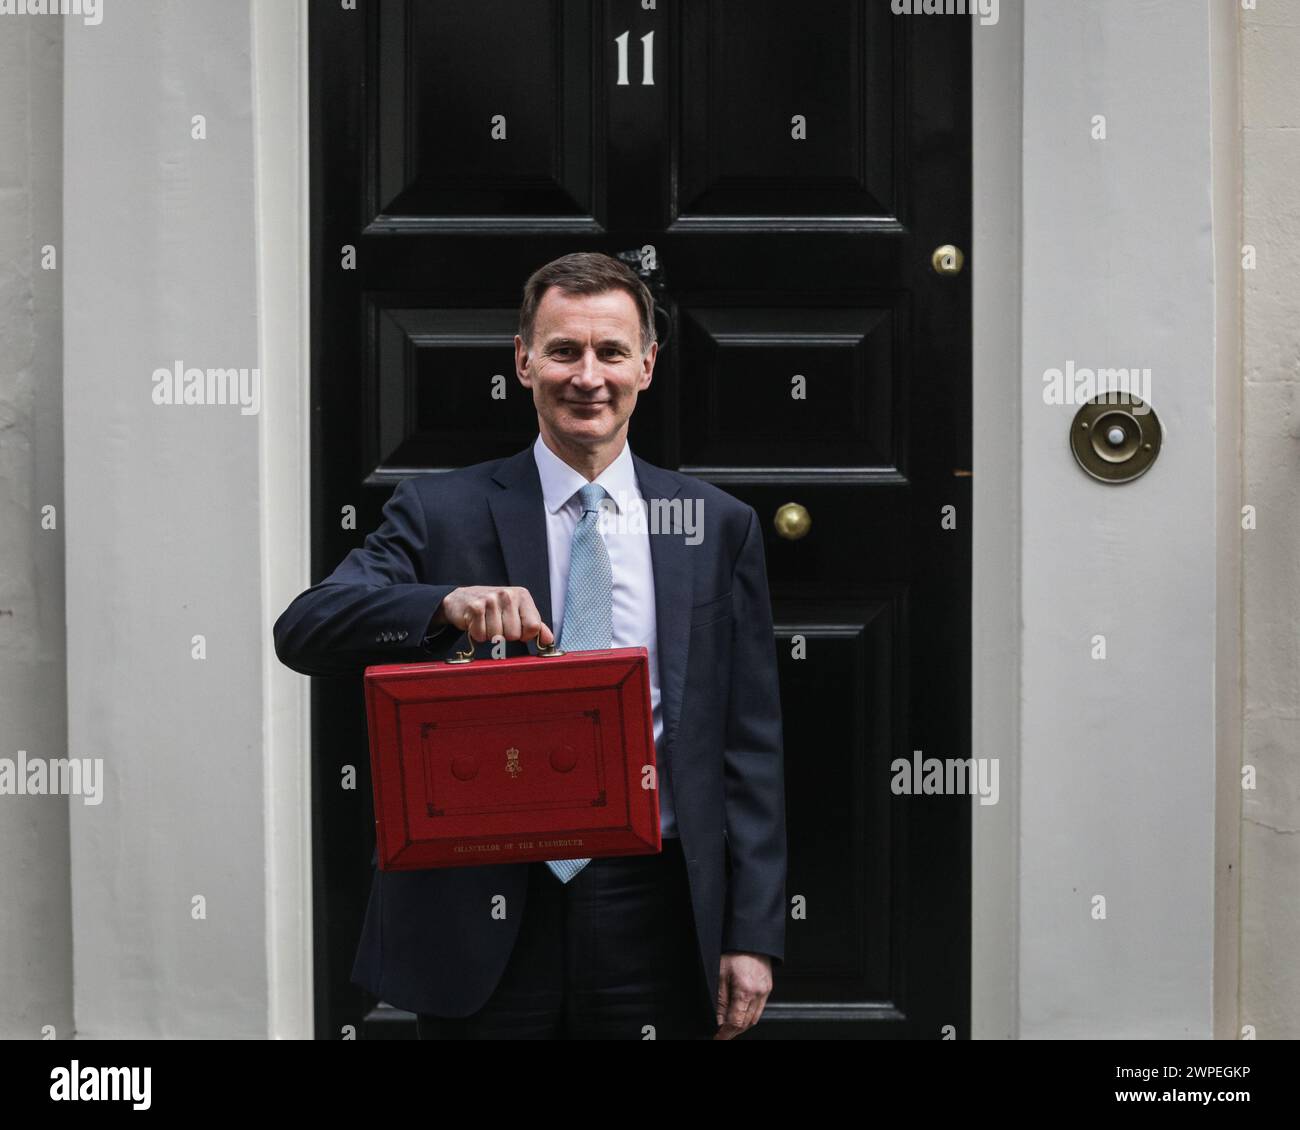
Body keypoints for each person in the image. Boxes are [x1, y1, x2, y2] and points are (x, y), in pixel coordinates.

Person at [273, 251, 787, 1040]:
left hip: (655, 910)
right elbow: (305, 628)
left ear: (646, 366)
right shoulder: (437, 510)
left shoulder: (715, 526)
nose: (589, 375)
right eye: (563, 351)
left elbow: (750, 742)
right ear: (523, 361)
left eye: (612, 352)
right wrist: (441, 604)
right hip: (477, 906)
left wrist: (751, 933)